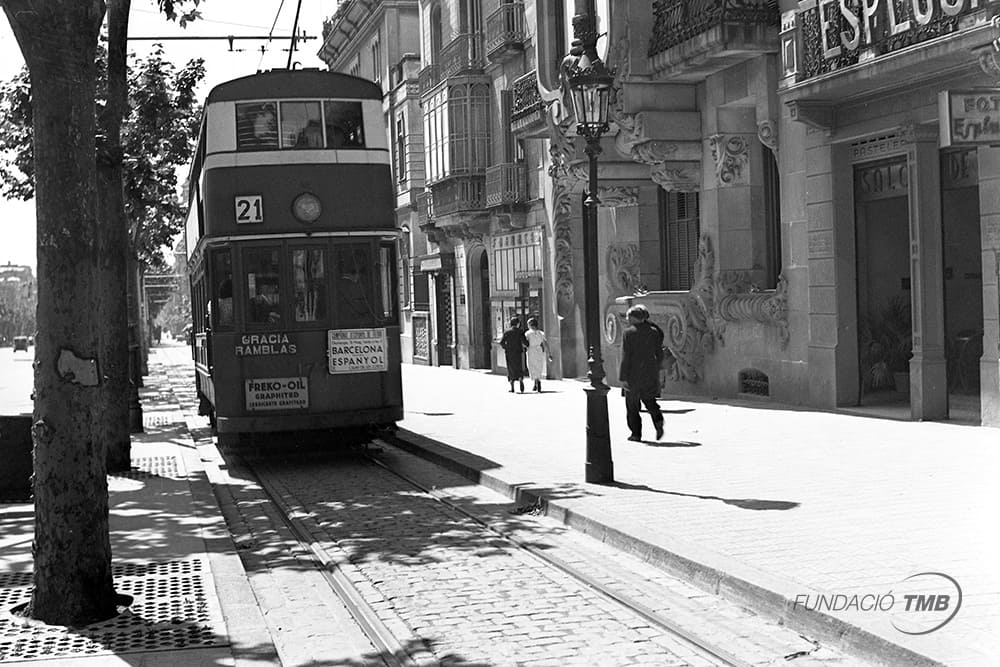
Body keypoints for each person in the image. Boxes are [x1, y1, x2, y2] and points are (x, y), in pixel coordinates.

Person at [618, 304, 665, 441]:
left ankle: (636, 433)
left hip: (633, 374)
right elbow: (659, 353)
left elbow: (626, 356)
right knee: (649, 400)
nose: (627, 319)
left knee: (632, 406)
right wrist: (657, 368)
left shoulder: (628, 333)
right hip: (650, 372)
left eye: (628, 317)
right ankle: (658, 419)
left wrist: (623, 376)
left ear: (633, 318)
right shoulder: (653, 332)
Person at [499, 317, 528, 393]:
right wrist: (527, 345)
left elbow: (501, 342)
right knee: (519, 366)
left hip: (509, 353)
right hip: (518, 352)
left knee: (510, 368)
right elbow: (524, 341)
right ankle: (520, 379)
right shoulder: (520, 331)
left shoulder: (507, 332)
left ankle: (512, 386)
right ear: (517, 324)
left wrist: (506, 347)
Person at [524, 317, 550, 392]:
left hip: (531, 350)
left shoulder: (527, 333)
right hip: (539, 350)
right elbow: (545, 343)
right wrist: (549, 353)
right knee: (539, 366)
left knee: (532, 366)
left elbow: (525, 343)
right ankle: (537, 381)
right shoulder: (541, 333)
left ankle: (536, 381)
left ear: (530, 325)